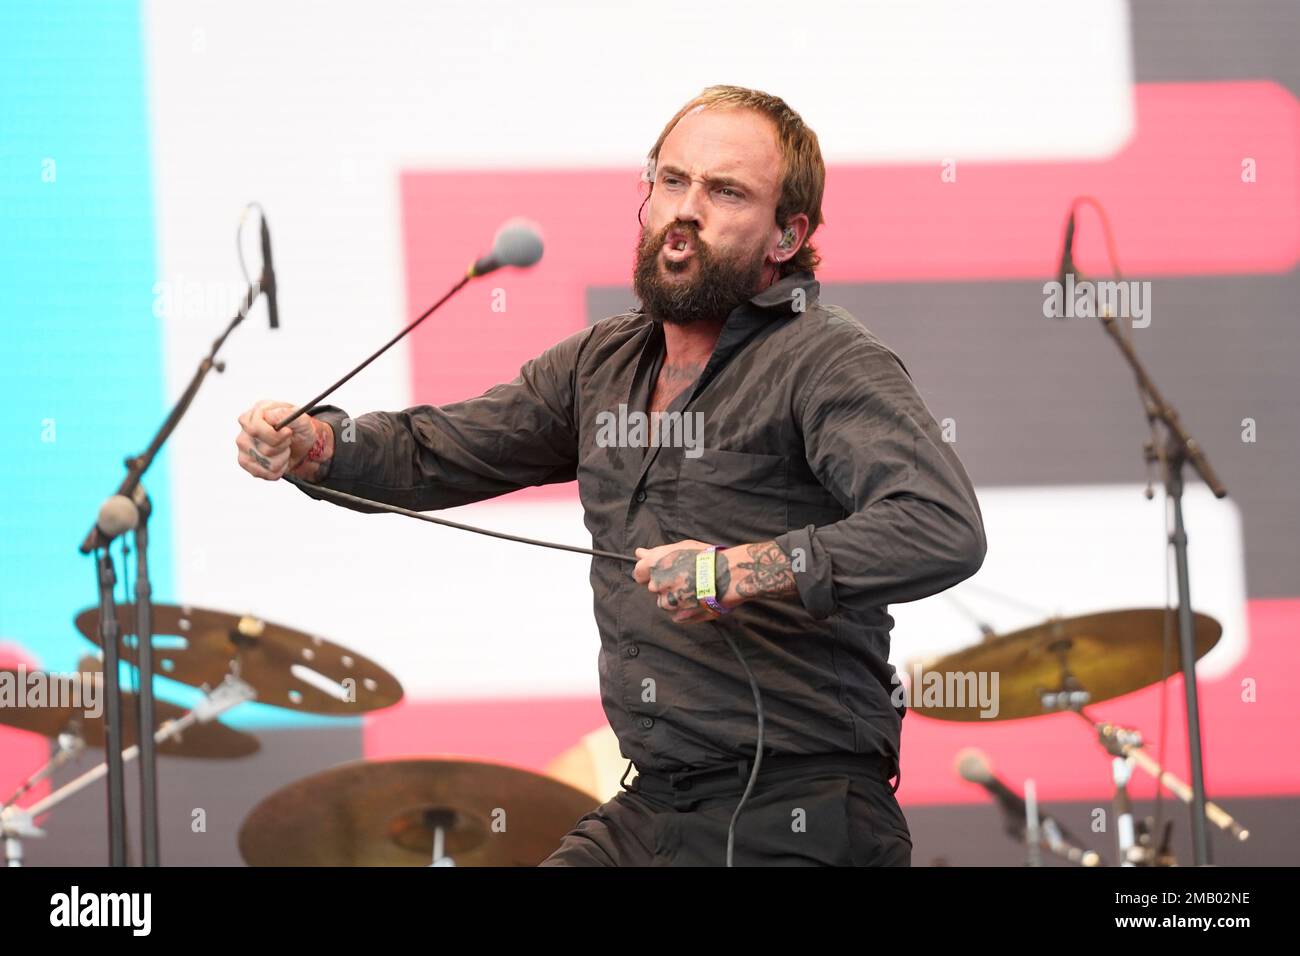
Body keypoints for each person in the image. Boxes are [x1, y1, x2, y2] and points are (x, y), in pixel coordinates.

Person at [235, 85, 986, 866]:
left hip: (804, 810)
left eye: (725, 191)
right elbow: (438, 449)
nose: (684, 209)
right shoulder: (600, 365)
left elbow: (940, 525)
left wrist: (736, 572)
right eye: (670, 180)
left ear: (787, 236)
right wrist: (319, 447)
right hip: (656, 805)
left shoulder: (825, 359)